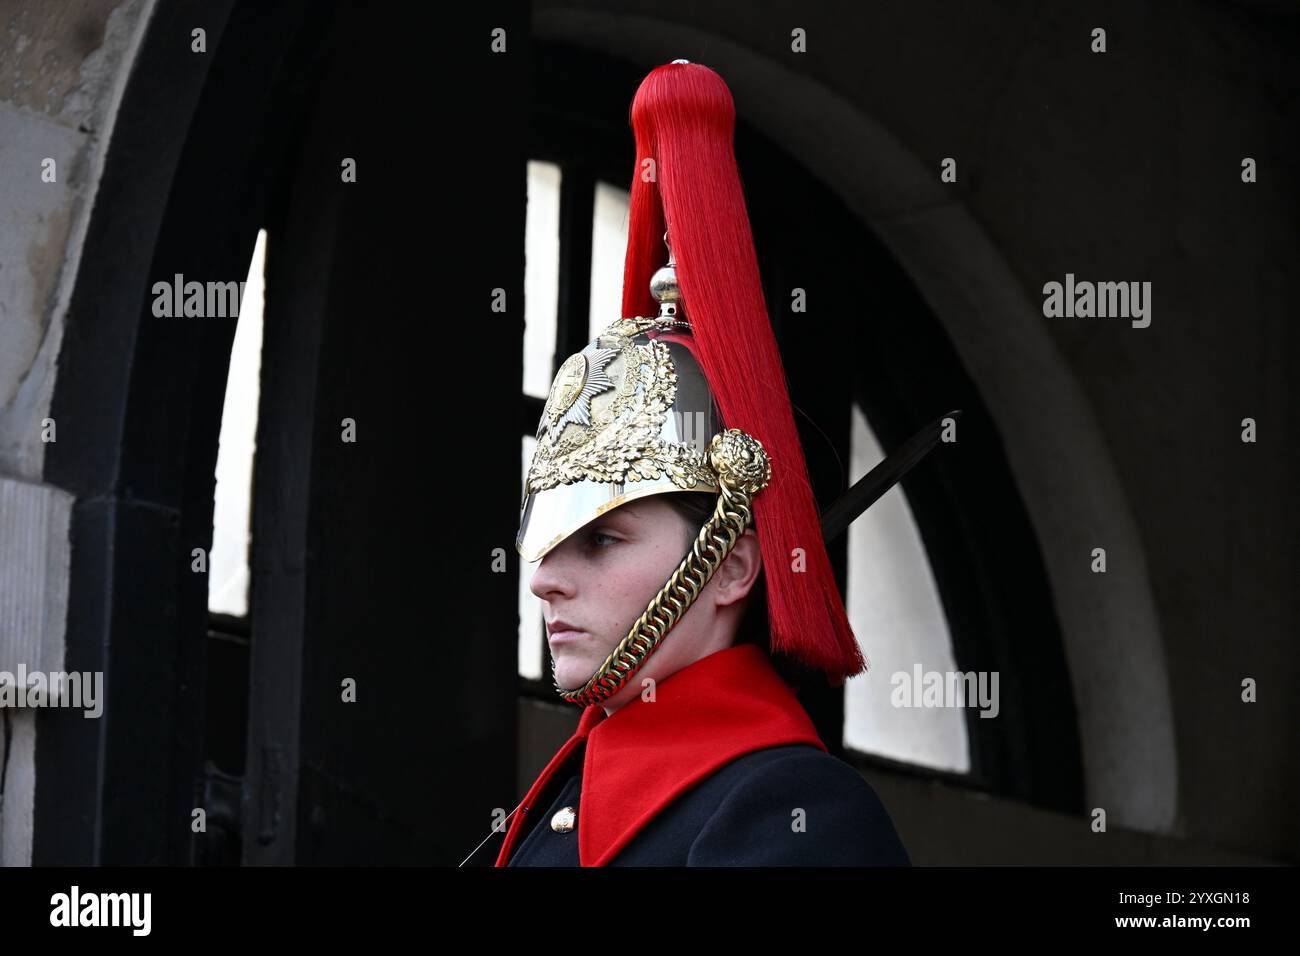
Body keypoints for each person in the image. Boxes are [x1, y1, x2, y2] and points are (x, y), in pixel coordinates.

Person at [493, 59, 910, 867]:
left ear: (732, 568)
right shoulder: (562, 806)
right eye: (551, 541)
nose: (545, 578)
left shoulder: (795, 814)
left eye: (603, 538)